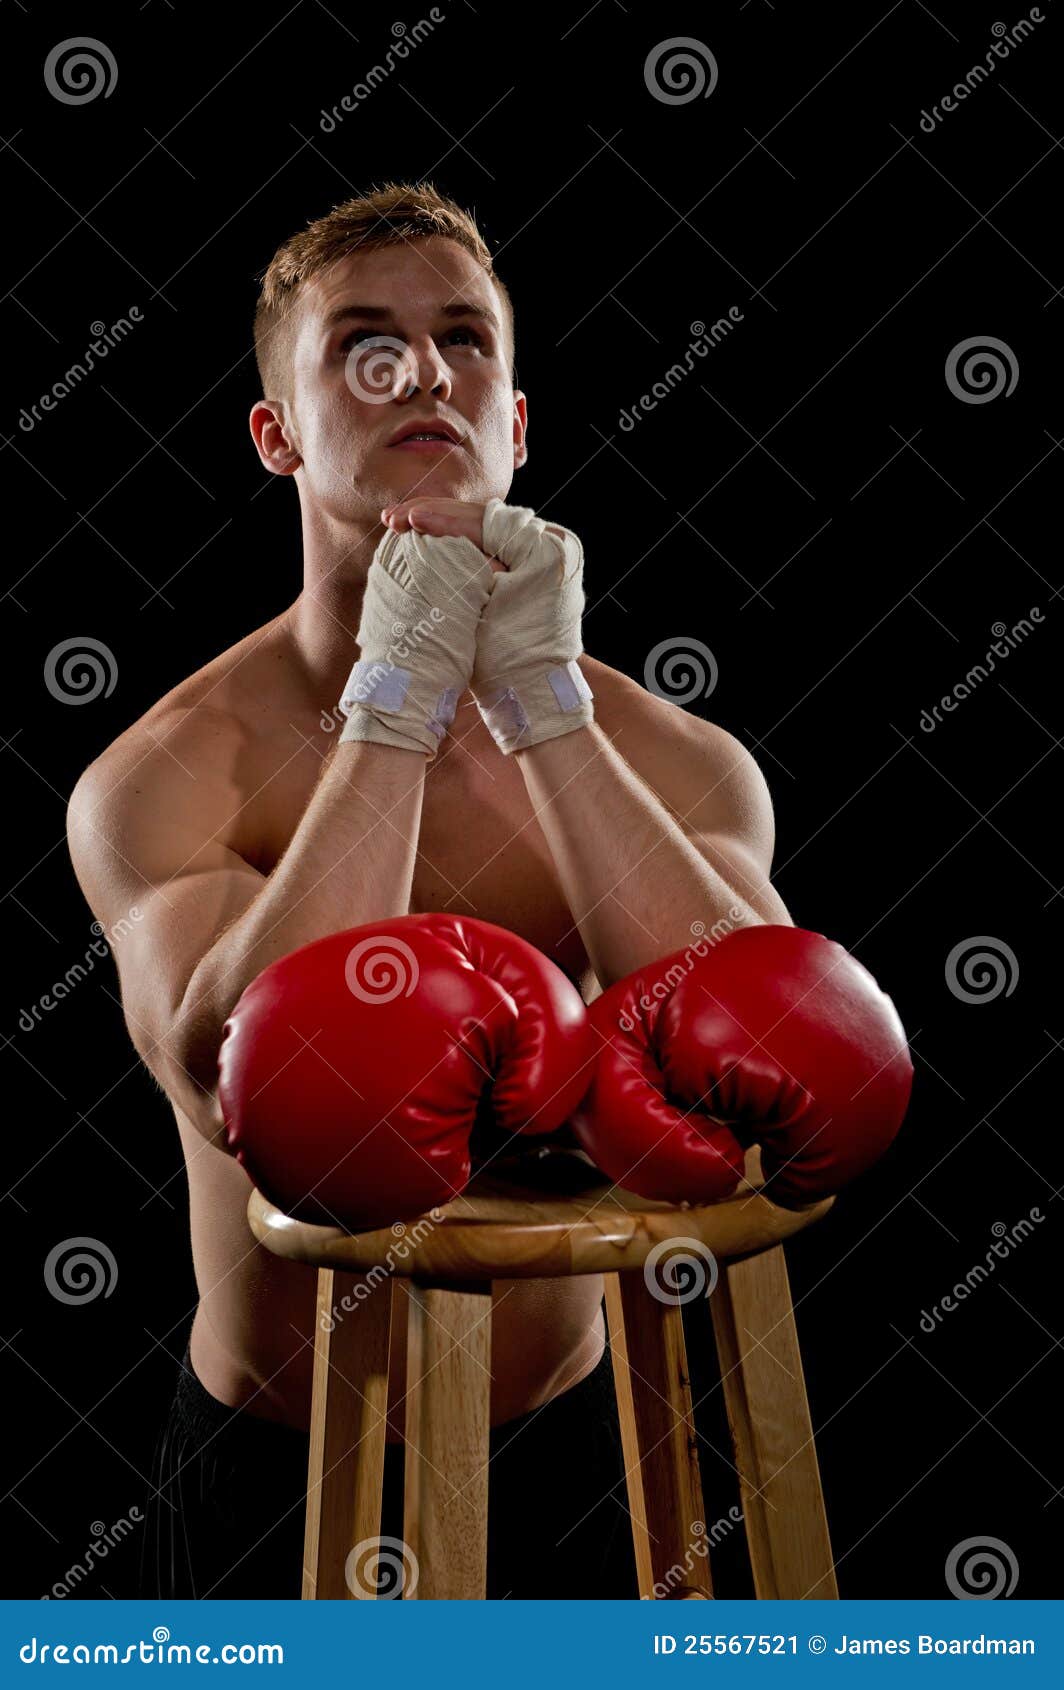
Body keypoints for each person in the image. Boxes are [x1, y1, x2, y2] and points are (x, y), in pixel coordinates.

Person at [66, 180, 791, 1598]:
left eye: (464, 339)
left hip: (569, 1459)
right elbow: (244, 1075)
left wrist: (546, 710)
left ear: (514, 425)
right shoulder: (167, 773)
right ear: (278, 433)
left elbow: (767, 1051)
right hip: (275, 1478)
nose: (424, 375)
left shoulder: (672, 758)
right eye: (364, 347)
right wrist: (394, 701)